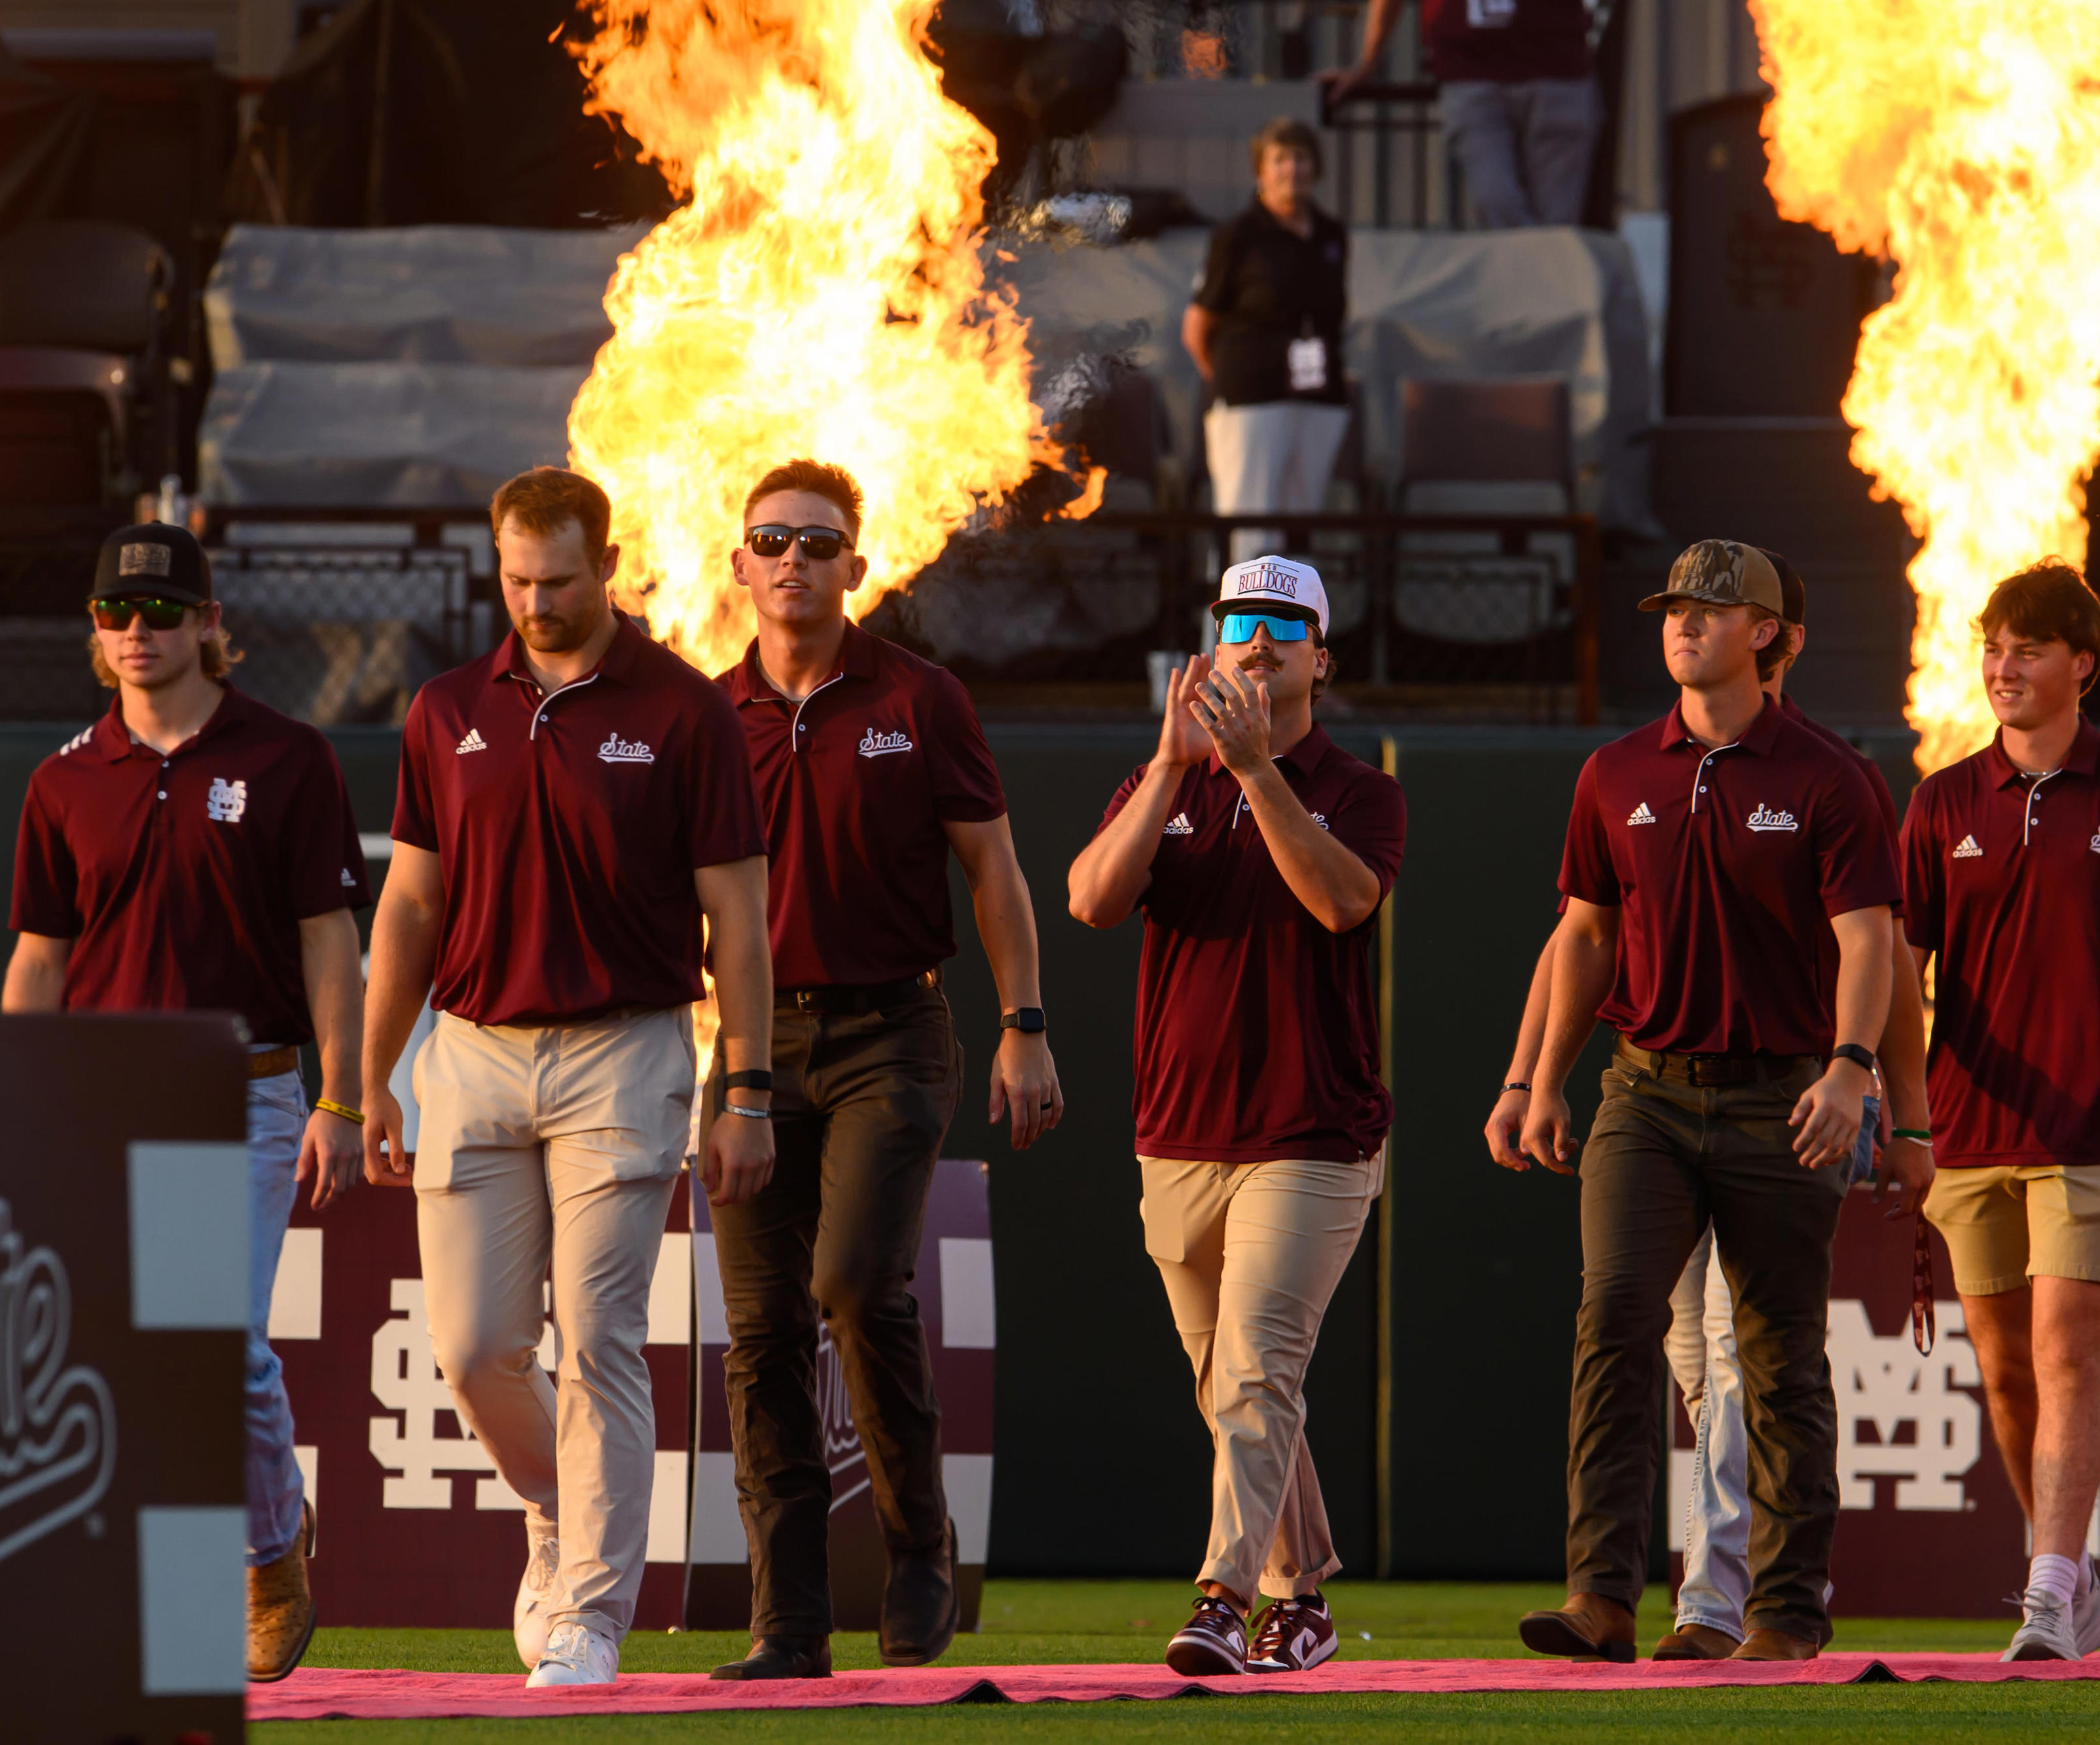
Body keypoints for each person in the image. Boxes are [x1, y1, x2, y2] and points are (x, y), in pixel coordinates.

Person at [359, 468, 776, 1690]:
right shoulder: (444, 707)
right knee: (475, 1341)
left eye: (558, 579)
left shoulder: (688, 710)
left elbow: (738, 922)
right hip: (471, 1049)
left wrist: (742, 1086)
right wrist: (366, 1075)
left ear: (609, 565)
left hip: (627, 1045)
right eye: (516, 579)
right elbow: (410, 904)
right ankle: (556, 1508)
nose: (535, 601)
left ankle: (594, 1607)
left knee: (599, 1337)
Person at [1482, 548, 1932, 1661]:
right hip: (1645, 1084)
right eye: (1677, 606)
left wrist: (1850, 1067)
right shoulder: (1616, 768)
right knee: (1614, 1320)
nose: (1686, 624)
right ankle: (1599, 1594)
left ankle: (1782, 1605)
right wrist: (1537, 1077)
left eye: (1716, 608)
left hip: (1784, 1093)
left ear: (1773, 635)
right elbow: (1582, 934)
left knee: (1779, 1349)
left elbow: (1871, 941)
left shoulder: (1832, 776)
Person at [704, 460, 1065, 1681]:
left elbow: (995, 870)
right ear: (740, 564)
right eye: (771, 539)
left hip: (889, 1033)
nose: (793, 559)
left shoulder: (922, 698)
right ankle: (787, 1618)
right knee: (758, 1333)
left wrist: (1025, 1020)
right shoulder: (709, 716)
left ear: (859, 564)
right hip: (748, 1049)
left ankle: (919, 1554)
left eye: (817, 541)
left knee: (857, 1282)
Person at [2, 521, 371, 1683]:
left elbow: (332, 944)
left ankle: (269, 1553)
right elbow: (39, 958)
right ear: (94, 630)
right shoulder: (64, 774)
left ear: (213, 624)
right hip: (102, 1095)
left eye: (163, 613)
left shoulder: (289, 757)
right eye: (117, 614)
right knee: (99, 1354)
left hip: (248, 1085)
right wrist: (12, 1095)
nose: (137, 634)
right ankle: (122, 1587)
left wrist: (345, 1098)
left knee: (221, 1345)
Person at [1067, 554, 1405, 1678]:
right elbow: (1091, 899)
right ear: (1210, 649)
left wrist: (1259, 772)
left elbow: (1340, 897)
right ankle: (1299, 1594)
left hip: (1310, 1132)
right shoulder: (1164, 779)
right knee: (1232, 1385)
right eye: (1238, 624)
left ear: (1322, 655)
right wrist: (1174, 763)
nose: (1257, 643)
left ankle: (1222, 1595)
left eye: (1283, 625)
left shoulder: (1359, 787)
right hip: (1177, 1131)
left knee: (1259, 1368)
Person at [1899, 559, 2100, 1661]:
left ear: (2083, 665)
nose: (2002, 668)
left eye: (2027, 649)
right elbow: (1900, 969)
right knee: (2002, 1367)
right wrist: (1903, 1110)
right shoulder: (1943, 798)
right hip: (1968, 1129)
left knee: (2070, 1352)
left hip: (2096, 1130)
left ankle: (2044, 1586)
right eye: (1991, 648)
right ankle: (2073, 1575)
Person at [1330, 0, 1608, 229]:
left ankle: (1542, 271)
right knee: (1497, 202)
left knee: (1558, 222)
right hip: (1471, 78)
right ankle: (1526, 272)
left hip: (1558, 78)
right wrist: (1368, 60)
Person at [1184, 119, 1352, 536]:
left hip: (1317, 394)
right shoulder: (1237, 236)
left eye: (1301, 157)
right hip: (1253, 396)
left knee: (1299, 526)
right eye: (1280, 159)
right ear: (1261, 170)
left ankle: (1292, 606)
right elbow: (1196, 329)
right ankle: (1239, 605)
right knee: (1250, 526)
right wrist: (1231, 378)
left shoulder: (1331, 235)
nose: (1291, 169)